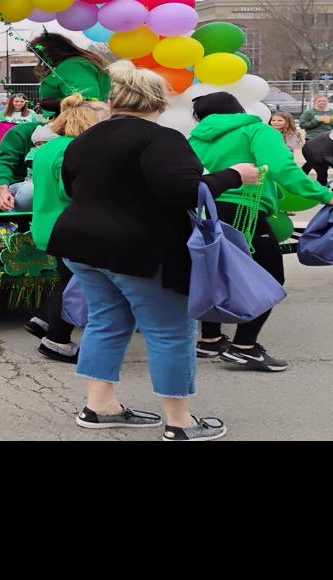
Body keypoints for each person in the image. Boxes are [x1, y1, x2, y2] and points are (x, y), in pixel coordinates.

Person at [46, 61, 259, 442]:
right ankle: (180, 422)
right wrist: (234, 175)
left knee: (105, 322)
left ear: (113, 100)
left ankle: (100, 407)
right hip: (139, 249)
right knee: (171, 332)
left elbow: (71, 187)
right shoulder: (161, 139)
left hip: (81, 244)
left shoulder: (84, 139)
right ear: (159, 102)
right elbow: (184, 191)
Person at [187, 92, 333, 372]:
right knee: (269, 276)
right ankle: (244, 347)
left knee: (215, 274)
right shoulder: (256, 130)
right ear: (237, 108)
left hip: (206, 211)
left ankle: (210, 339)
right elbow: (280, 167)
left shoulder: (195, 138)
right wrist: (325, 195)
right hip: (246, 210)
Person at [26, 94, 109, 363]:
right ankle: (57, 339)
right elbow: (73, 190)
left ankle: (45, 321)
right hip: (70, 224)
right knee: (76, 282)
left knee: (67, 278)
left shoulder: (49, 147)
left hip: (48, 223)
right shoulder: (72, 149)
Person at [30, 34, 111, 114]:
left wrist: (55, 105)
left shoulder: (72, 66)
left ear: (49, 53)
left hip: (78, 120)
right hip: (74, 117)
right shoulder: (73, 64)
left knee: (24, 127)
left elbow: (86, 99)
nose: (38, 59)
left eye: (38, 55)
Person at [0, 118, 43, 211]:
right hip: (25, 183)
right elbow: (4, 161)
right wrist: (3, 189)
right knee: (31, 190)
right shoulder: (22, 132)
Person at [298, 95, 333, 179]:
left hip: (329, 140)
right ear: (315, 102)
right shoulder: (309, 113)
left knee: (315, 162)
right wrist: (316, 121)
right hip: (313, 139)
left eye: (324, 101)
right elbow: (302, 125)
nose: (322, 102)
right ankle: (302, 179)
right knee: (316, 161)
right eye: (319, 101)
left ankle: (302, 178)